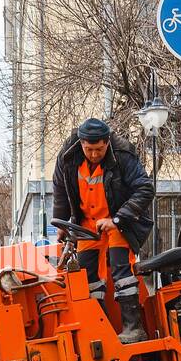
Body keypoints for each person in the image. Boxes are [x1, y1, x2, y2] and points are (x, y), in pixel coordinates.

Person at [50, 117, 154, 343]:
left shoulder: (123, 155)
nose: (94, 154)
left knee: (121, 271)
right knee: (88, 278)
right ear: (81, 144)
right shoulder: (68, 156)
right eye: (89, 149)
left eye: (98, 149)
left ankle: (133, 328)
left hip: (119, 221)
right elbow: (60, 188)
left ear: (107, 143)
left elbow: (145, 189)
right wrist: (60, 222)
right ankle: (101, 330)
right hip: (87, 224)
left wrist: (117, 219)